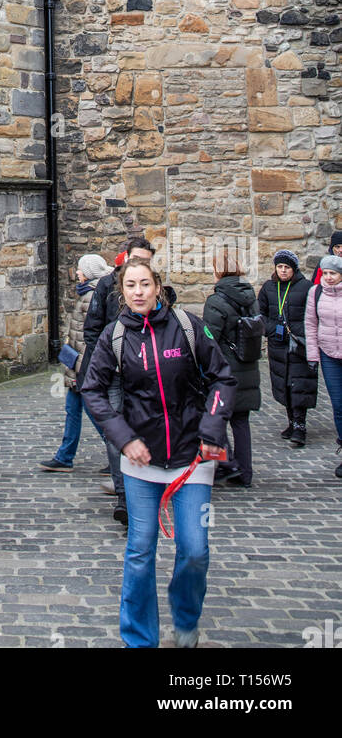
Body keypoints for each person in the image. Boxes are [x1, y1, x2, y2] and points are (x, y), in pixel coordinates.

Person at [82, 258, 235, 650]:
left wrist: (213, 427)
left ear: (157, 286)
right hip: (140, 461)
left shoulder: (187, 326)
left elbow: (222, 375)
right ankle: (139, 639)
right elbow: (92, 390)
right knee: (139, 552)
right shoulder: (114, 336)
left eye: (145, 284)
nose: (138, 292)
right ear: (122, 291)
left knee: (195, 550)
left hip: (192, 458)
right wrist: (123, 438)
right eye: (130, 285)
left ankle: (185, 620)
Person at [80, 238, 156, 524]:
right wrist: (105, 361)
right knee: (115, 433)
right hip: (113, 374)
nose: (140, 267)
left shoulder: (154, 290)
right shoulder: (107, 286)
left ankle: (145, 483)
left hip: (144, 373)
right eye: (136, 259)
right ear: (125, 257)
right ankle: (125, 497)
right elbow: (93, 328)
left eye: (146, 262)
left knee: (145, 426)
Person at [39, 254, 112, 473]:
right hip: (77, 364)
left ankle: (119, 450)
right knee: (72, 410)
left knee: (93, 412)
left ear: (88, 273)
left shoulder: (91, 296)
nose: (77, 273)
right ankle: (65, 456)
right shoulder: (87, 292)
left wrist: (81, 369)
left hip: (84, 365)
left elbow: (89, 336)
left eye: (80, 269)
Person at [202, 252, 261, 488]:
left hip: (225, 368)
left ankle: (228, 464)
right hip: (248, 364)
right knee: (241, 421)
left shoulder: (216, 301)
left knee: (215, 416)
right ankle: (244, 472)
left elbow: (209, 338)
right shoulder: (250, 295)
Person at [258, 249, 318, 446]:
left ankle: (300, 424)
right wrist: (271, 329)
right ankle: (291, 421)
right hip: (278, 343)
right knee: (284, 383)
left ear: (294, 269)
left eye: (287, 268)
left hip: (299, 343)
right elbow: (261, 314)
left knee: (298, 382)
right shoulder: (268, 288)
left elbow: (313, 315)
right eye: (280, 267)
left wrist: (299, 331)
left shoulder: (307, 287)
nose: (283, 271)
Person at [305, 252, 342, 478]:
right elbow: (310, 324)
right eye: (325, 273)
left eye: (333, 274)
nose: (328, 277)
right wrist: (313, 356)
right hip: (329, 354)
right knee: (338, 406)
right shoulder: (315, 292)